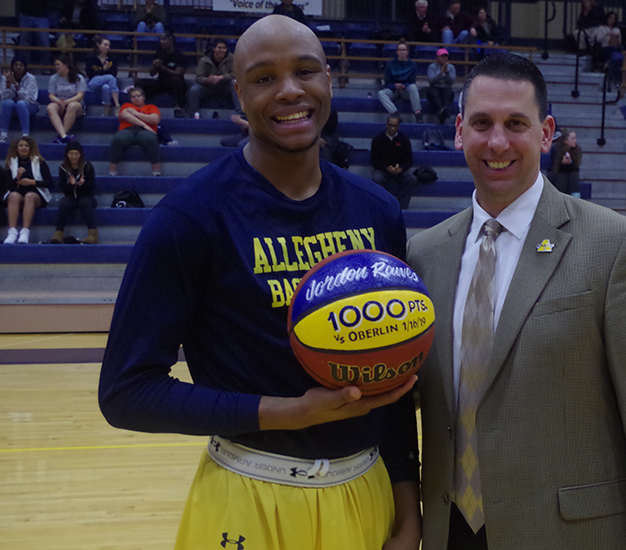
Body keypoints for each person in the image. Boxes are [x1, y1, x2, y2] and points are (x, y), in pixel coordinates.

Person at [99, 15, 420, 550]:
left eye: (306, 71)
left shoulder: (377, 211)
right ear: (239, 94)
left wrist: (409, 512)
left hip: (368, 492)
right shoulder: (190, 218)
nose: (290, 90)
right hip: (250, 492)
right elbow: (126, 393)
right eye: (265, 77)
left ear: (329, 82)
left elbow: (394, 381)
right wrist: (289, 413)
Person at [406, 52, 626, 550]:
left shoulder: (615, 246)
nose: (497, 141)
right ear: (459, 131)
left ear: (546, 133)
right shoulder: (424, 254)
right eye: (482, 123)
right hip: (452, 532)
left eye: (516, 123)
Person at [2, 136, 52, 245]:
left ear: (30, 148)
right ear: (16, 148)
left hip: (37, 194)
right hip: (17, 192)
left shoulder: (39, 162)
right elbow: (9, 186)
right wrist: (17, 177)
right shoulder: (10, 163)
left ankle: (25, 231)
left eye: (26, 146)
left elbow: (49, 183)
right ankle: (12, 232)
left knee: (29, 196)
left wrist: (32, 182)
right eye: (21, 146)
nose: (23, 148)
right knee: (13, 196)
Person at [51, 140, 98, 244]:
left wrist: (84, 183)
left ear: (80, 154)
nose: (73, 156)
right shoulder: (63, 168)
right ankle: (58, 233)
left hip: (87, 196)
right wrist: (70, 185)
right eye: (71, 154)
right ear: (67, 154)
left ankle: (93, 234)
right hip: (71, 196)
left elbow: (92, 186)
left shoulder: (87, 166)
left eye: (76, 154)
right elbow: (63, 188)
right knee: (64, 203)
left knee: (85, 202)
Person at [109, 87, 162, 177]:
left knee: (152, 139)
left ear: (143, 97)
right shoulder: (126, 106)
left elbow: (155, 119)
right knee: (117, 139)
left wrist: (136, 114)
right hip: (128, 130)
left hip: (145, 132)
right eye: (133, 97)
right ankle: (112, 171)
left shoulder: (151, 107)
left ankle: (156, 171)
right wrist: (144, 124)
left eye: (138, 96)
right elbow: (125, 115)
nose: (136, 98)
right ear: (130, 99)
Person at [370, 113, 419, 209]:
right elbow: (373, 160)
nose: (392, 128)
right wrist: (386, 168)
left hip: (400, 170)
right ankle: (383, 205)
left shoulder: (404, 139)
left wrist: (401, 168)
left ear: (398, 126)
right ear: (386, 125)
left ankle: (401, 206)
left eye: (395, 126)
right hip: (383, 169)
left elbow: (409, 160)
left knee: (412, 179)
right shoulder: (378, 139)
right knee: (378, 178)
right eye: (390, 125)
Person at [135, 32, 188, 114]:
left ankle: (179, 108)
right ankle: (140, 107)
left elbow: (178, 73)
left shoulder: (180, 56)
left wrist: (162, 68)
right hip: (161, 81)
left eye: (164, 39)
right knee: (139, 82)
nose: (161, 42)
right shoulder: (159, 53)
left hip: (174, 83)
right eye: (160, 39)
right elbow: (152, 73)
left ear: (171, 41)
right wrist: (154, 66)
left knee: (177, 81)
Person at [187, 37, 239, 119]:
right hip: (208, 86)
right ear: (214, 48)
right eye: (219, 48)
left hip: (225, 86)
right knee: (194, 90)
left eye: (224, 48)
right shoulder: (205, 60)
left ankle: (241, 115)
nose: (222, 50)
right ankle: (193, 116)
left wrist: (221, 77)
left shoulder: (232, 58)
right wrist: (208, 80)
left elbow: (236, 74)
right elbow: (198, 78)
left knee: (235, 84)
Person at [378, 41, 422, 123]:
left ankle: (418, 113)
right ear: (397, 51)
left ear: (407, 52)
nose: (402, 52)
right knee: (381, 93)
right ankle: (395, 113)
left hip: (406, 90)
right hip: (393, 90)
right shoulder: (389, 64)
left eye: (404, 50)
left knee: (413, 87)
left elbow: (412, 81)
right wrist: (394, 86)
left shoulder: (413, 65)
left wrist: (404, 86)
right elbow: (387, 82)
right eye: (400, 50)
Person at [0, 56, 39, 143]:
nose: (18, 67)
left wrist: (16, 84)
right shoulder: (5, 77)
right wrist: (8, 84)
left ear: (25, 67)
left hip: (30, 106)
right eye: (16, 65)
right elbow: (4, 97)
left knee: (21, 104)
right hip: (12, 106)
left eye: (21, 65)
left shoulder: (31, 78)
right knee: (6, 103)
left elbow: (29, 98)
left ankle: (25, 136)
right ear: (12, 66)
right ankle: (3, 135)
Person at [47, 56, 86, 143]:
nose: (56, 67)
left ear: (66, 65)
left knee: (72, 106)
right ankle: (63, 136)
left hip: (75, 104)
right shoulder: (54, 78)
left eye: (58, 64)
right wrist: (59, 102)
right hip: (60, 102)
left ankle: (61, 135)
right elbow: (51, 95)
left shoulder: (78, 78)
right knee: (50, 107)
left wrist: (67, 102)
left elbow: (80, 95)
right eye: (55, 65)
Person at [86, 36, 121, 117]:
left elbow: (114, 73)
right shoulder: (90, 57)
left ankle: (106, 114)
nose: (107, 47)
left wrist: (106, 71)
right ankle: (117, 104)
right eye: (105, 45)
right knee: (110, 78)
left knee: (106, 87)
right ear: (98, 45)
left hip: (108, 84)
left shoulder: (112, 59)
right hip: (93, 83)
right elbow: (90, 74)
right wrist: (103, 70)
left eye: (108, 45)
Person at [16, 0, 51, 68]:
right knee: (24, 43)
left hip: (42, 15)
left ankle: (44, 66)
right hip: (25, 14)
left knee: (44, 43)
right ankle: (24, 66)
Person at [547, 128, 581, 197]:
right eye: (573, 138)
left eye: (575, 138)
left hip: (570, 173)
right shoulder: (556, 149)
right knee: (562, 176)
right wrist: (563, 163)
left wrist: (569, 163)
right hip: (556, 173)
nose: (575, 141)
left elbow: (576, 167)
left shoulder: (577, 149)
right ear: (566, 141)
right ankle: (560, 199)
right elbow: (555, 167)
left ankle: (576, 199)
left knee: (574, 175)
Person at [427, 48, 456, 125]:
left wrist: (446, 73)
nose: (444, 58)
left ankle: (442, 112)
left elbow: (452, 81)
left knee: (448, 92)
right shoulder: (432, 67)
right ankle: (443, 111)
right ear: (437, 58)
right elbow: (431, 81)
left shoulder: (451, 67)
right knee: (434, 92)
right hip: (434, 87)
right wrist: (440, 73)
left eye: (445, 56)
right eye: (442, 56)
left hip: (446, 87)